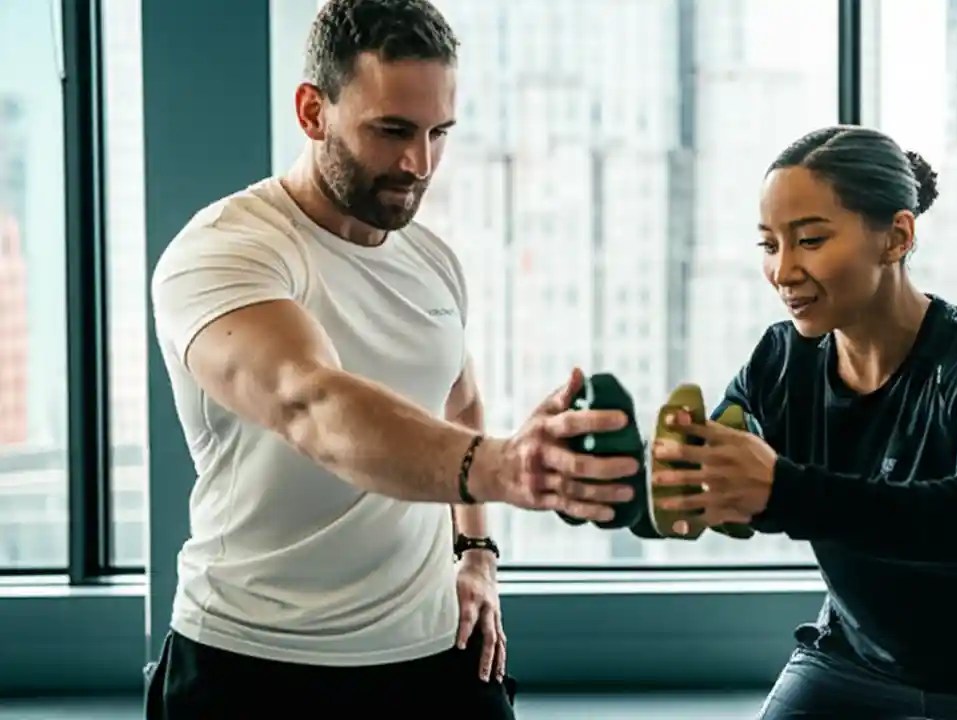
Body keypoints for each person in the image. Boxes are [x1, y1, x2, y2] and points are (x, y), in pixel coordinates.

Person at [143, 1, 638, 717]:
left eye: (440, 132)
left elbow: (459, 400)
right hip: (252, 661)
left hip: (433, 652)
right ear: (313, 112)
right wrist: (502, 467)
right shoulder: (226, 251)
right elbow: (309, 403)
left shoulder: (432, 262)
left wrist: (477, 554)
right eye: (392, 131)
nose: (420, 163)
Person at [650, 125, 957, 719]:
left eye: (809, 240)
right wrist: (659, 474)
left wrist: (783, 491)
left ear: (896, 237)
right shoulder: (781, 362)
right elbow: (722, 473)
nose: (782, 271)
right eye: (769, 245)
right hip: (857, 662)